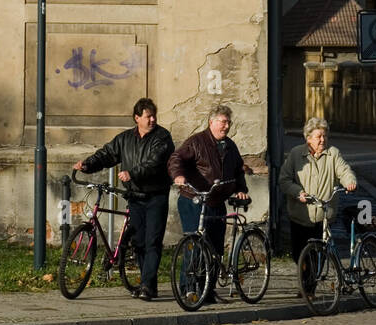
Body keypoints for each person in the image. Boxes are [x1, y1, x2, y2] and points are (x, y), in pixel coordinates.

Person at [72, 97, 174, 301]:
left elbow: (155, 163)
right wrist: (87, 165)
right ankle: (147, 285)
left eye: (154, 115)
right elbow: (107, 154)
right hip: (135, 197)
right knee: (139, 242)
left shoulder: (162, 137)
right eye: (148, 116)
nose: (153, 119)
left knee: (152, 241)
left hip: (156, 196)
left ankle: (147, 285)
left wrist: (132, 173)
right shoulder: (125, 139)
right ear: (137, 118)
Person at [168, 104, 250, 301]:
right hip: (193, 200)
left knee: (215, 248)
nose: (226, 126)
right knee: (194, 245)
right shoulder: (196, 142)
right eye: (222, 122)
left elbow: (238, 170)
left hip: (216, 201)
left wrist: (241, 189)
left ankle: (208, 290)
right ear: (211, 122)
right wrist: (178, 175)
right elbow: (176, 158)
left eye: (228, 122)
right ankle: (189, 289)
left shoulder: (230, 146)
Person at [280, 117, 357, 288]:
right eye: (319, 136)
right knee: (298, 255)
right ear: (308, 138)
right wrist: (297, 192)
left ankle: (308, 288)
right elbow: (284, 180)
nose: (323, 140)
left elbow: (344, 170)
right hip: (299, 214)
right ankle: (305, 281)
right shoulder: (295, 154)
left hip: (322, 215)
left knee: (317, 255)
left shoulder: (333, 154)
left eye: (325, 136)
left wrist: (350, 182)